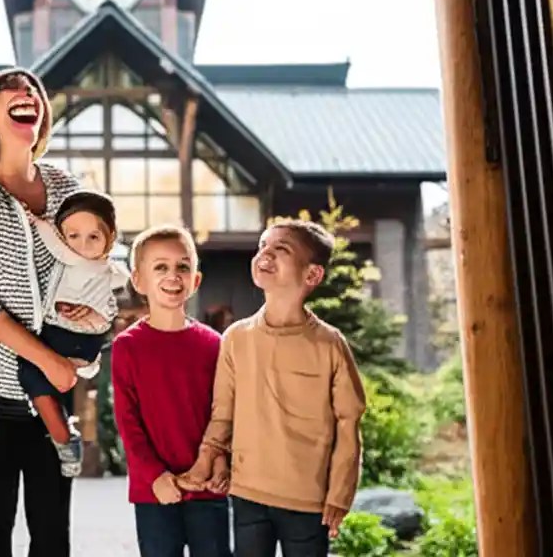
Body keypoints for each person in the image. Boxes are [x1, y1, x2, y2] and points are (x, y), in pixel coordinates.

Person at [0, 67, 111, 557]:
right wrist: (46, 361)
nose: (25, 94)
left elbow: (92, 263)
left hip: (53, 391)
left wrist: (85, 339)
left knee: (53, 534)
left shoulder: (64, 186)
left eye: (32, 90)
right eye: (10, 90)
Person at [183, 220, 367, 557]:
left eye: (280, 250)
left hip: (308, 499)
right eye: (262, 246)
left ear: (312, 275)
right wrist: (215, 458)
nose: (265, 255)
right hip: (248, 492)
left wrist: (340, 493)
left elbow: (348, 423)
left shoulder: (329, 344)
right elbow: (223, 412)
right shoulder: (236, 338)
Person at [111, 225, 232, 557]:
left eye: (183, 266)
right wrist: (155, 476)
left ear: (195, 280)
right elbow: (128, 422)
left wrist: (220, 461)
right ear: (138, 280)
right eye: (160, 266)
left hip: (207, 488)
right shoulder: (127, 347)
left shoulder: (214, 344)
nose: (173, 275)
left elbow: (224, 410)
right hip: (155, 490)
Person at [22, 190, 128, 477]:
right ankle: (63, 436)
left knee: (31, 371)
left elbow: (108, 312)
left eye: (93, 237)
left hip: (76, 338)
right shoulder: (104, 269)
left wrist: (34, 220)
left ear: (110, 237)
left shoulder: (97, 268)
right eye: (74, 236)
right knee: (36, 377)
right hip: (71, 340)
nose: (82, 245)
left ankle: (63, 438)